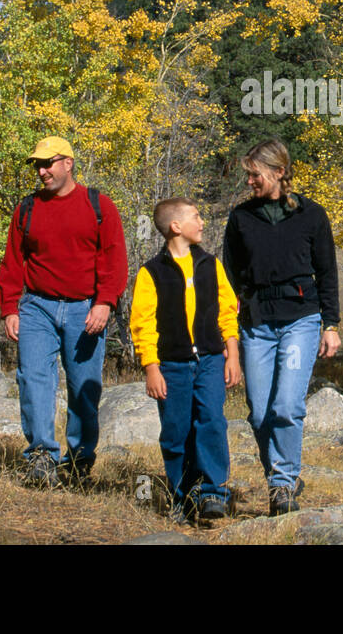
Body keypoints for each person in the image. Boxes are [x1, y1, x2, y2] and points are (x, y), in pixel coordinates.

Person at [0, 135, 128, 487]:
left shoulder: (99, 205)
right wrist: (10, 307)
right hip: (37, 306)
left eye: (48, 163)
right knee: (34, 380)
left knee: (84, 385)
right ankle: (41, 456)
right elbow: (13, 260)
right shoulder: (27, 208)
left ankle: (80, 460)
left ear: (68, 163)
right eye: (38, 165)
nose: (41, 171)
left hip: (85, 308)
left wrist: (104, 302)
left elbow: (114, 259)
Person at [222, 139, 340, 515]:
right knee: (259, 412)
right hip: (256, 323)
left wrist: (331, 323)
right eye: (249, 175)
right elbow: (230, 273)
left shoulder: (312, 215)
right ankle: (281, 474)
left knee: (287, 406)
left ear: (279, 172)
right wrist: (229, 324)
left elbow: (327, 272)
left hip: (300, 321)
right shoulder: (241, 218)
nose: (251, 181)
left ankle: (282, 484)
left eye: (256, 175)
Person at [129, 198, 241, 523]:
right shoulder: (151, 273)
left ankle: (213, 492)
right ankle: (183, 494)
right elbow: (142, 323)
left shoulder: (211, 265)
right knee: (176, 430)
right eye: (196, 216)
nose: (202, 221)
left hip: (209, 360)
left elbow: (228, 310)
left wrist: (232, 354)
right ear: (176, 227)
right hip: (171, 366)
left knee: (211, 421)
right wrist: (151, 367)